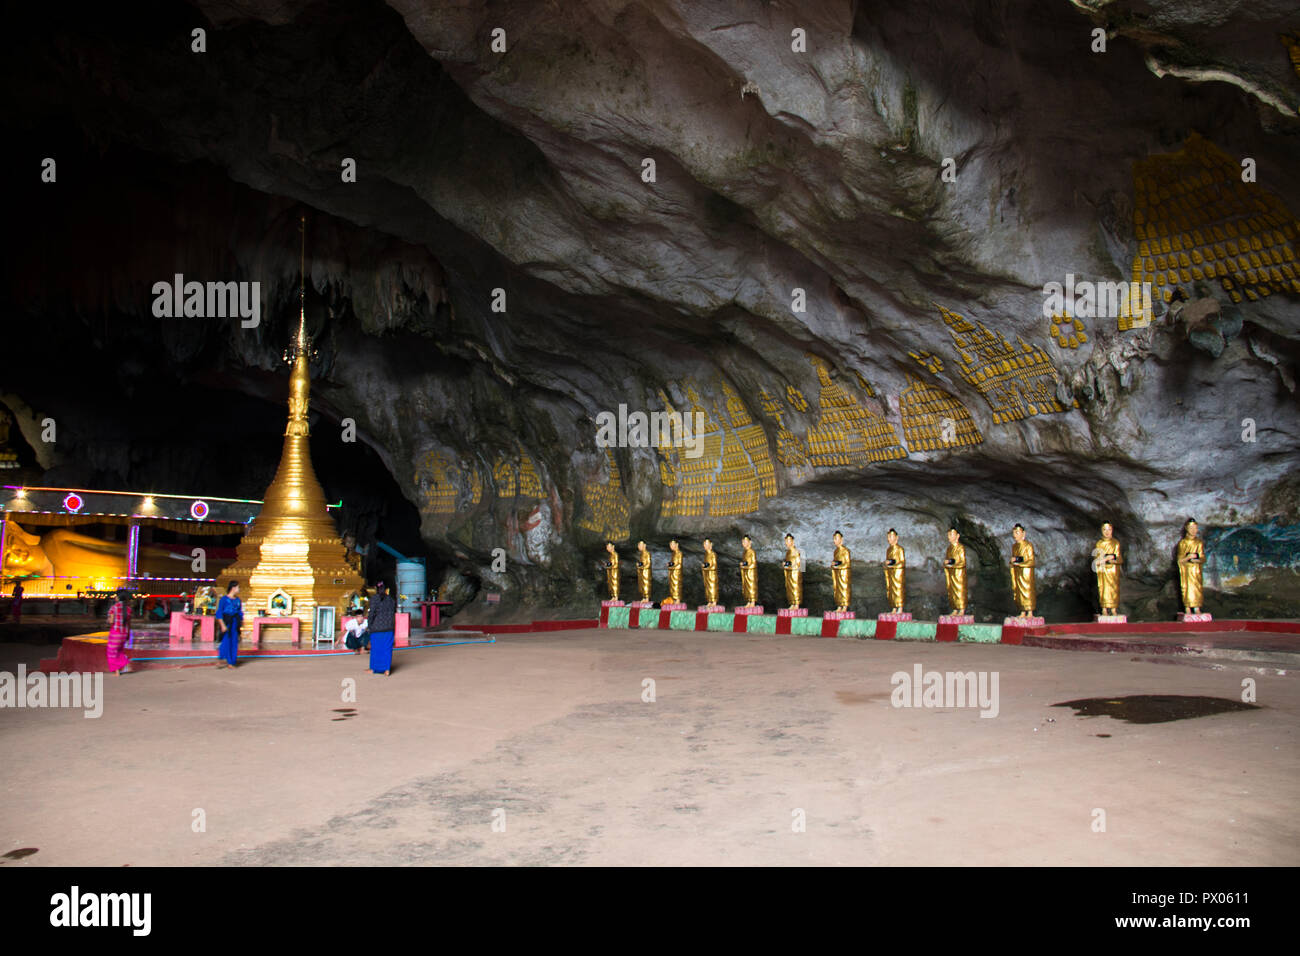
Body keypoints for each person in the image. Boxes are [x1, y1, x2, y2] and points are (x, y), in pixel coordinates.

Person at [367, 581, 397, 676]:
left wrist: (370, 625)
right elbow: (393, 614)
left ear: (376, 589)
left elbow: (371, 614)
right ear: (386, 589)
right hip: (389, 627)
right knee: (387, 649)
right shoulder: (391, 600)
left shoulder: (374, 599)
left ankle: (374, 669)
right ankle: (386, 669)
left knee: (376, 649)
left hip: (377, 628)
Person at [1093, 522, 1122, 616]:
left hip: (1113, 570)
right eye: (1104, 529)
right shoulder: (1099, 543)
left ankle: (1114, 609)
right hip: (1103, 570)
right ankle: (1104, 609)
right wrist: (1105, 559)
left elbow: (1119, 558)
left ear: (1112, 530)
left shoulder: (1115, 543)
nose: (1107, 532)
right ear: (1101, 531)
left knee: (1114, 589)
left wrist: (1113, 559)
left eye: (1109, 529)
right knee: (1103, 588)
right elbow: (1096, 559)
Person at [1177, 518, 1204, 614]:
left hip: (1196, 570)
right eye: (1191, 528)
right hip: (1187, 571)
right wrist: (1188, 557)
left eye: (1195, 528)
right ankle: (1187, 607)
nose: (1194, 530)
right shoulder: (1183, 543)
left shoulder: (1199, 542)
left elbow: (1203, 557)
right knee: (1187, 588)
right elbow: (1179, 560)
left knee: (1197, 588)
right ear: (1186, 528)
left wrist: (1197, 559)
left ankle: (1197, 607)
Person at [215, 580, 243, 669]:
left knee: (234, 642)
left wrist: (240, 623)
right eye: (238, 587)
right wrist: (222, 625)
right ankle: (223, 658)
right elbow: (219, 612)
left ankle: (231, 662)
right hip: (227, 622)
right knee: (226, 641)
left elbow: (239, 612)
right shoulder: (224, 599)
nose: (239, 589)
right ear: (233, 588)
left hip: (235, 622)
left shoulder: (238, 600)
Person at [1010, 524, 1036, 617]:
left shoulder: (1028, 545)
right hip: (1017, 572)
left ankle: (1030, 612)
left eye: (1017, 533)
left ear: (1023, 533)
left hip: (1026, 573)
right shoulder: (1014, 546)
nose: (1015, 535)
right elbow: (1014, 559)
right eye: (1014, 533)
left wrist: (1019, 562)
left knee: (1028, 591)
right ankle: (1022, 611)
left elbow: (1031, 561)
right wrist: (1013, 562)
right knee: (1018, 592)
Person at [106, 588, 132, 675]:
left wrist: (108, 619)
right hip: (124, 633)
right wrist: (128, 634)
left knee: (111, 652)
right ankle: (126, 665)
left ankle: (117, 670)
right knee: (120, 650)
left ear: (118, 597)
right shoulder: (128, 609)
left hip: (116, 632)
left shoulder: (114, 608)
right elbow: (129, 624)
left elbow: (111, 621)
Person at [943, 528, 967, 615]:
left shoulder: (960, 548)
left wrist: (953, 563)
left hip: (958, 574)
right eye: (948, 535)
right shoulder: (949, 548)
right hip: (951, 573)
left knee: (959, 590)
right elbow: (949, 560)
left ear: (957, 536)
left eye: (951, 535)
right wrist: (947, 563)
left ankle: (961, 609)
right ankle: (955, 608)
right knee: (951, 590)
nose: (949, 537)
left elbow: (962, 562)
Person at [884, 530, 905, 613]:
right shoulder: (888, 550)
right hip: (891, 573)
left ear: (897, 537)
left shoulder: (900, 549)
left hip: (898, 573)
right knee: (891, 590)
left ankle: (900, 607)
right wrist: (887, 564)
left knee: (898, 589)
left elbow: (902, 562)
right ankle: (894, 607)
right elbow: (888, 561)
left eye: (891, 536)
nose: (889, 538)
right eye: (888, 537)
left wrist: (894, 564)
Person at [831, 531, 851, 613]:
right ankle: (839, 605)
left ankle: (845, 606)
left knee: (844, 589)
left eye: (836, 538)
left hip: (843, 573)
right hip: (837, 573)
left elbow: (847, 564)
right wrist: (834, 564)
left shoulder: (845, 551)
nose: (835, 541)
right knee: (837, 589)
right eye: (834, 539)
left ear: (841, 539)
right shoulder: (836, 551)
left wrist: (839, 565)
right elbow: (835, 562)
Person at [782, 534, 802, 609]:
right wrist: (785, 564)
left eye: (789, 541)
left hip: (795, 573)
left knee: (795, 587)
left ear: (793, 541)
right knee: (789, 587)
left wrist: (788, 564)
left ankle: (796, 603)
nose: (787, 543)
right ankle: (792, 603)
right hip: (789, 573)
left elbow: (799, 564)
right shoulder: (788, 552)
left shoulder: (796, 551)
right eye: (786, 541)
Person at [739, 535, 758, 608]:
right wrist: (743, 565)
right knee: (746, 586)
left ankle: (752, 601)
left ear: (750, 542)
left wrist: (746, 565)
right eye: (743, 542)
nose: (744, 543)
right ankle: (748, 601)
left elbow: (753, 563)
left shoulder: (752, 552)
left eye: (746, 541)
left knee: (751, 586)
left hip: (751, 573)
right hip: (745, 572)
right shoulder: (744, 552)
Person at [663, 541, 683, 605]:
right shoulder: (673, 554)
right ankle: (673, 599)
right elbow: (673, 563)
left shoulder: (679, 553)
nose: (671, 547)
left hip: (677, 573)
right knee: (672, 586)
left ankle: (677, 599)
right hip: (672, 573)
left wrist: (672, 566)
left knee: (677, 586)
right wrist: (670, 565)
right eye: (670, 545)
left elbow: (679, 565)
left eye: (672, 545)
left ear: (677, 544)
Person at [700, 538, 719, 606]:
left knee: (712, 587)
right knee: (707, 587)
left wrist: (707, 567)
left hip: (712, 574)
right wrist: (704, 566)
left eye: (707, 544)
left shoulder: (713, 554)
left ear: (711, 544)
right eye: (704, 544)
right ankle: (709, 600)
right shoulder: (706, 555)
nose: (705, 545)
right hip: (707, 574)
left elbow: (714, 566)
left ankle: (714, 601)